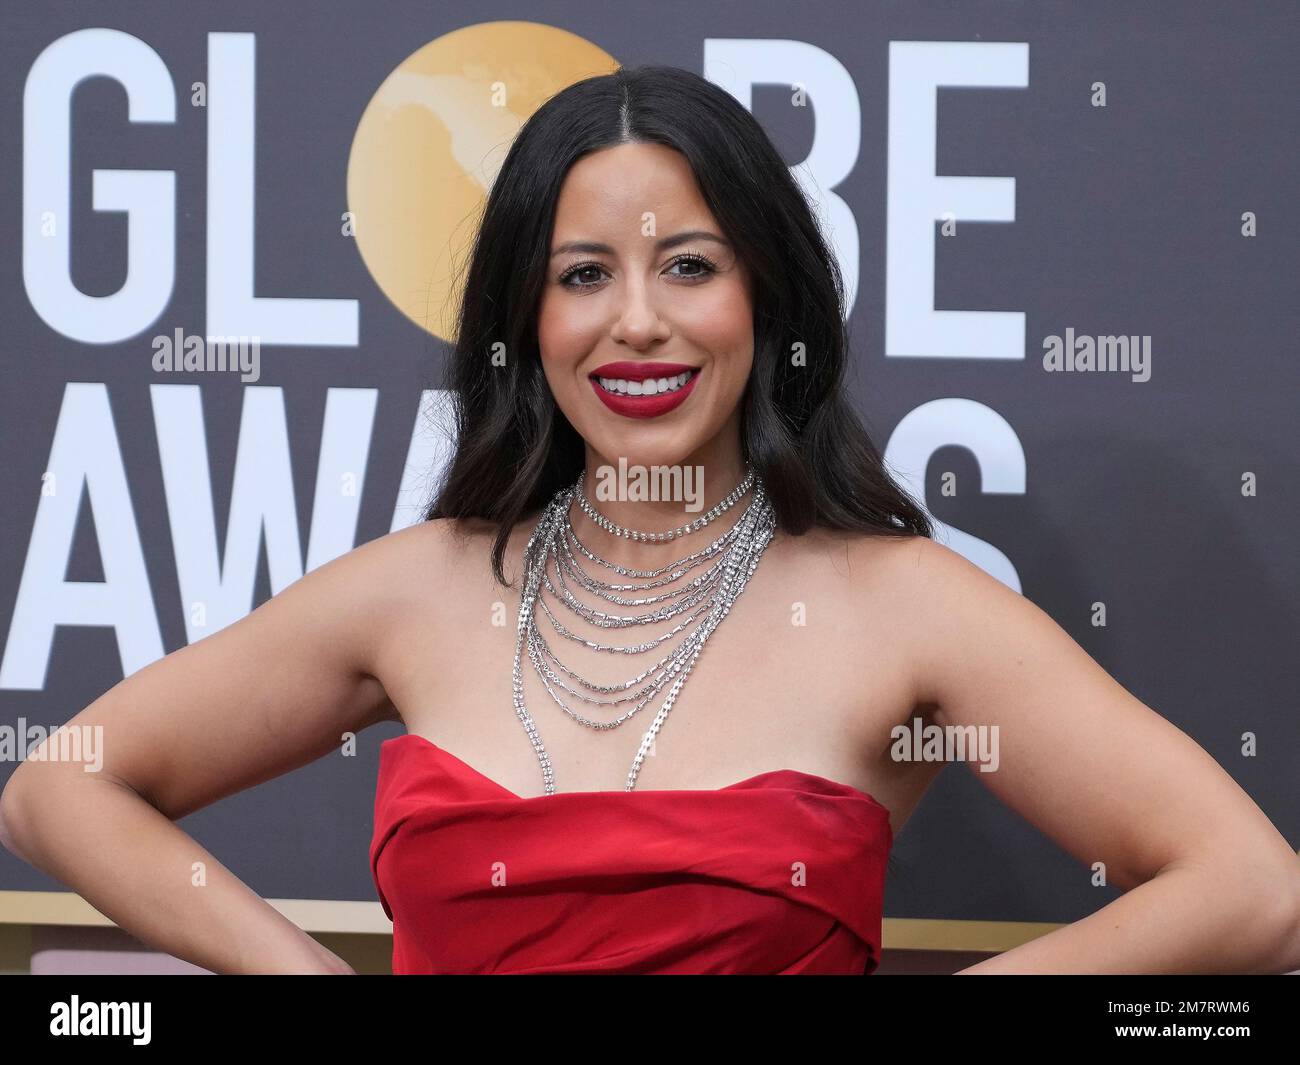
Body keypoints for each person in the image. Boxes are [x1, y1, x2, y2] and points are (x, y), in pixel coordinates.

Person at [2, 65, 1297, 976]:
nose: (637, 320)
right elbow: (60, 787)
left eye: (689, 264)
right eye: (583, 276)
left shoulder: (904, 607)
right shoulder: (415, 592)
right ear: (527, 322)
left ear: (767, 298)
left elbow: (1256, 892)